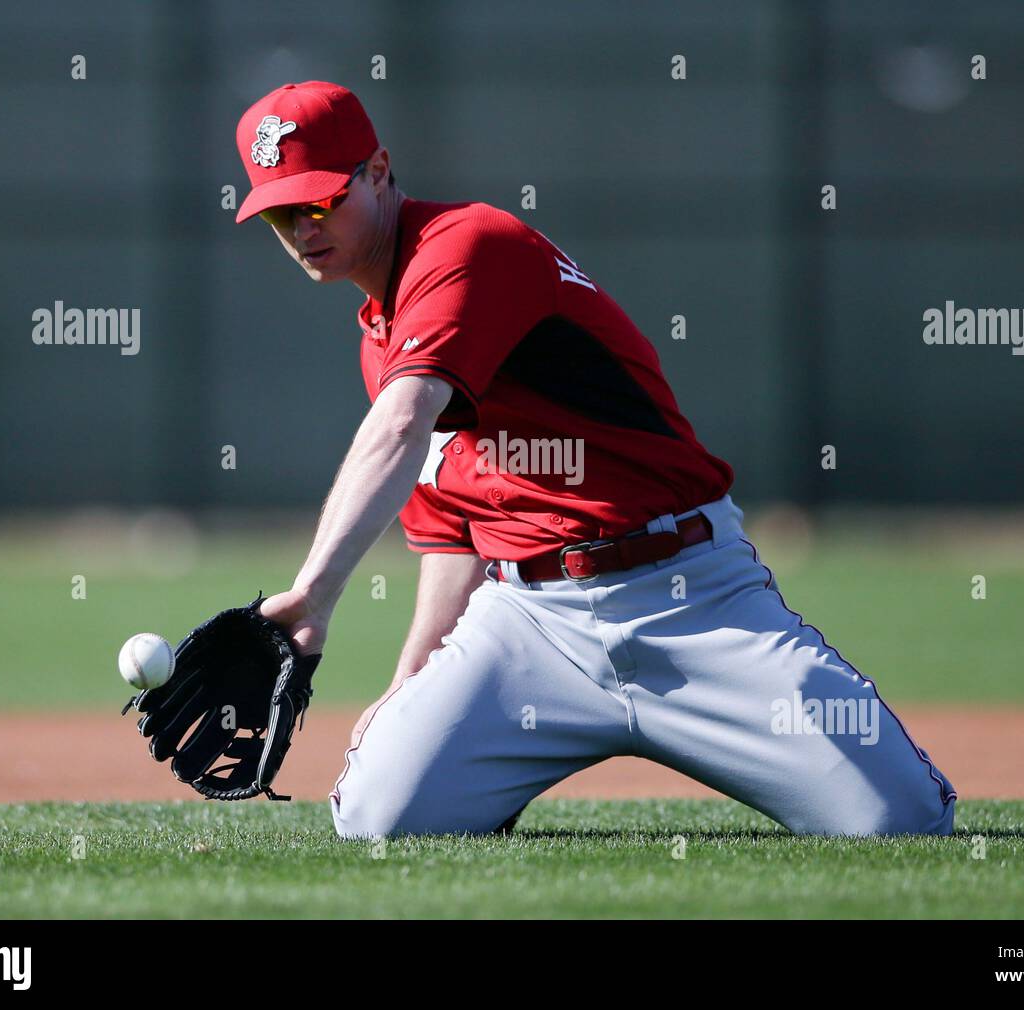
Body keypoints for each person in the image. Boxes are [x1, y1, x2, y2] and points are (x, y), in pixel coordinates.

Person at [235, 81, 956, 838]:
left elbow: (401, 425)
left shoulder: (467, 246)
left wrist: (314, 594)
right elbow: (455, 535)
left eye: (318, 201)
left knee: (897, 822)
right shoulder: (380, 341)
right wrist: (408, 685)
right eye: (280, 214)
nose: (301, 228)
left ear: (379, 170)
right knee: (379, 818)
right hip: (528, 628)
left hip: (685, 599)